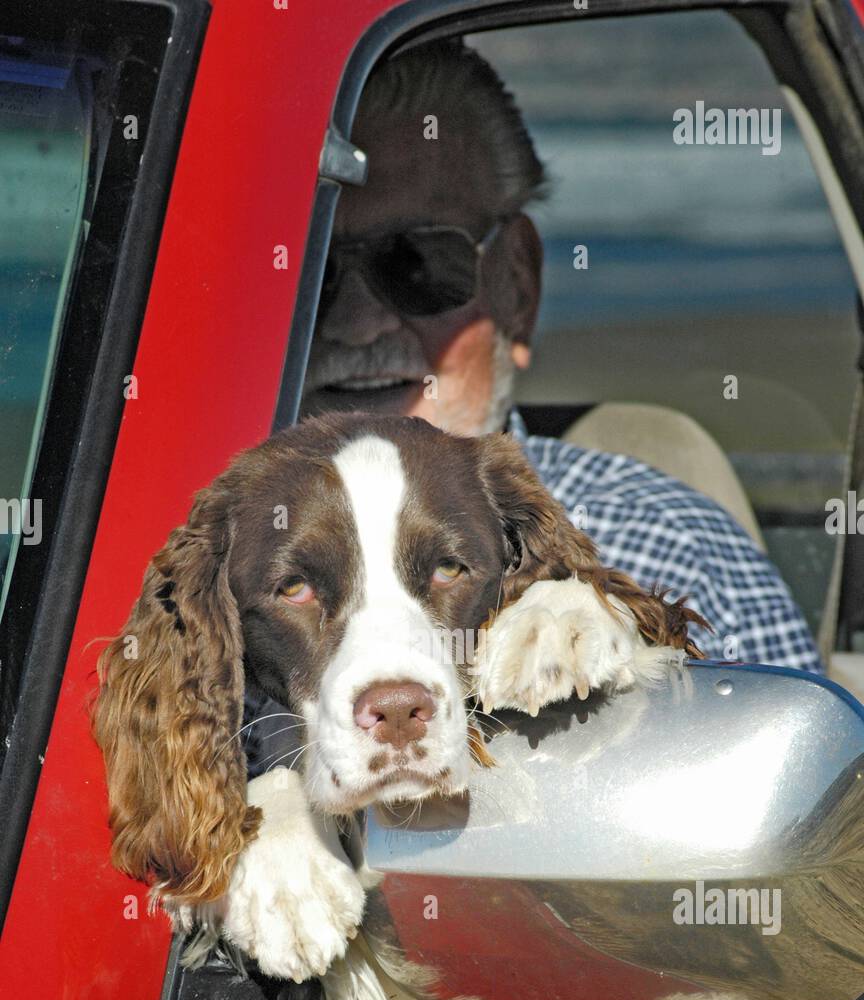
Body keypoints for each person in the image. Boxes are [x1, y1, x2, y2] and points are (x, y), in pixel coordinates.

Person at [299, 36, 821, 673]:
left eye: (418, 263)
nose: (355, 326)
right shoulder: (210, 546)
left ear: (519, 285)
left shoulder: (654, 556)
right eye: (310, 271)